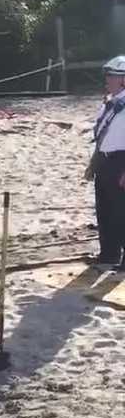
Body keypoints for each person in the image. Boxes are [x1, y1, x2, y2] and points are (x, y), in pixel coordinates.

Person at [87, 56, 125, 266]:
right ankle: (109, 253)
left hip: (121, 160)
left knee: (122, 211)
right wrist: (94, 162)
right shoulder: (109, 103)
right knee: (105, 210)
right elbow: (102, 135)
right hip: (104, 160)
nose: (107, 79)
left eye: (112, 76)